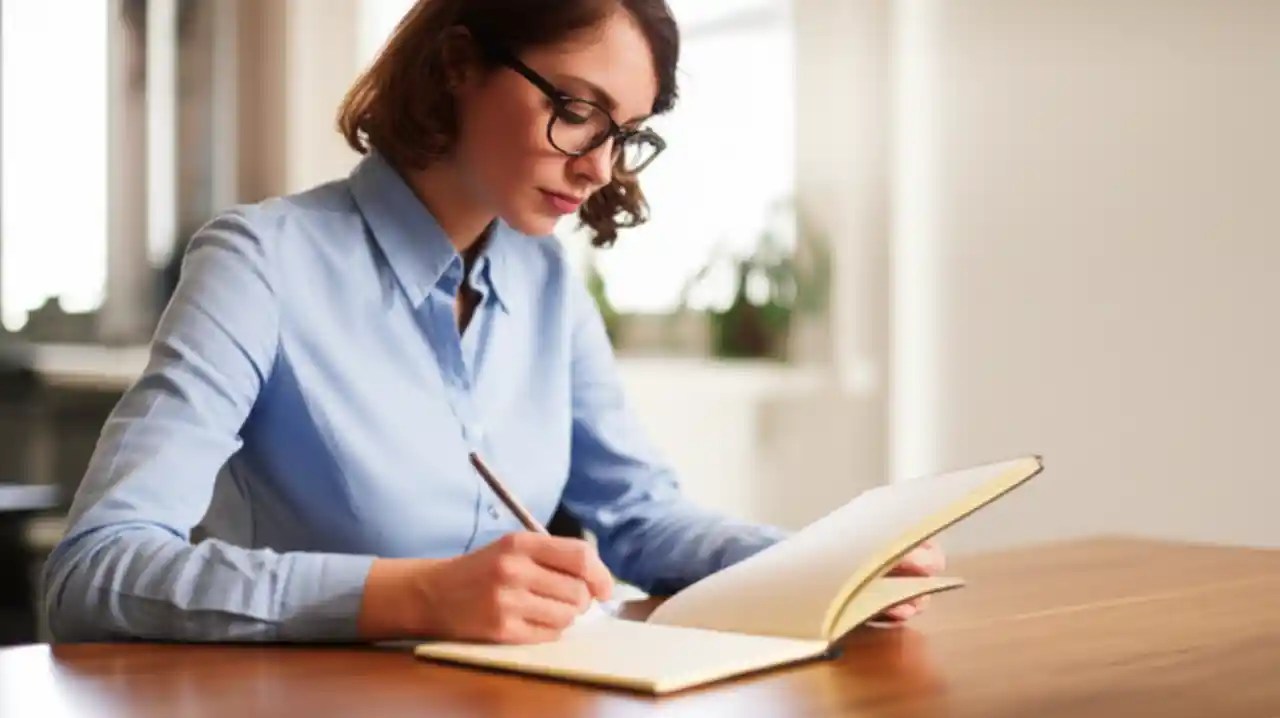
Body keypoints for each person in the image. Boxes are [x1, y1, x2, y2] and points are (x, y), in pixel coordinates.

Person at [42, 0, 944, 644]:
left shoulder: (546, 280)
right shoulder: (261, 263)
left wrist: (823, 564)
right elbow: (94, 573)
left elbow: (639, 517)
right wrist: (418, 597)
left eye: (624, 131)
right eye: (576, 111)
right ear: (457, 65)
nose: (599, 167)